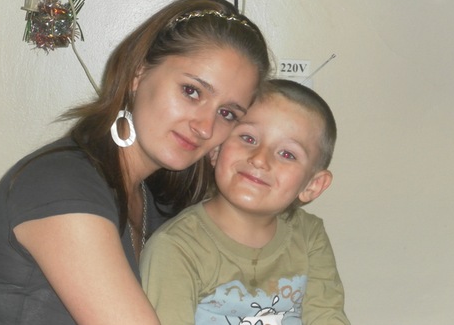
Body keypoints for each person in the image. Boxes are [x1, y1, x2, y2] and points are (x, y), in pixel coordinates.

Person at [0, 0, 271, 325]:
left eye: (227, 113)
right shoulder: (59, 185)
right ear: (139, 74)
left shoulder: (155, 202)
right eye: (191, 91)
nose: (205, 127)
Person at [140, 79, 350, 325]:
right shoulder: (176, 247)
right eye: (248, 138)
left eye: (287, 154)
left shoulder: (309, 235)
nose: (260, 159)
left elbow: (327, 316)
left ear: (312, 185)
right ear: (216, 150)